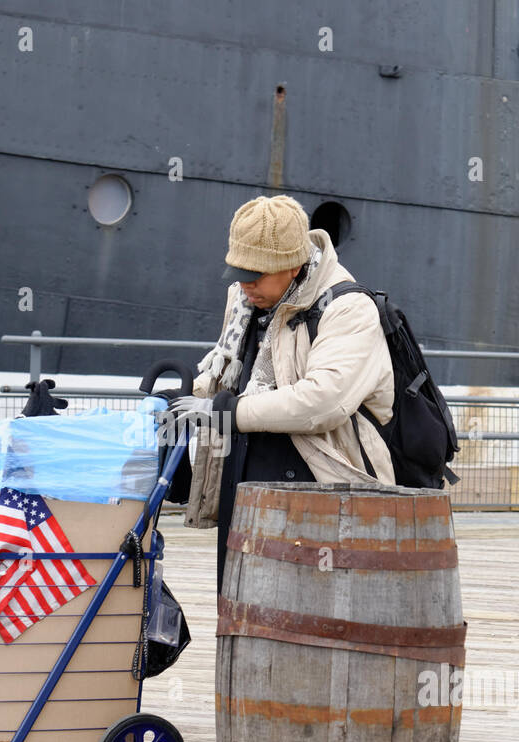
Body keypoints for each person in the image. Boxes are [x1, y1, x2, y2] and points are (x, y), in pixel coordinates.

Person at [164, 194, 396, 592]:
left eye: (254, 276)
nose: (244, 285)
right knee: (239, 601)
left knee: (308, 606)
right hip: (246, 480)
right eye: (238, 274)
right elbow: (232, 373)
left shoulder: (349, 307)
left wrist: (225, 412)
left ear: (291, 266)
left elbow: (324, 402)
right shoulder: (244, 300)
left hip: (321, 484)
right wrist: (186, 398)